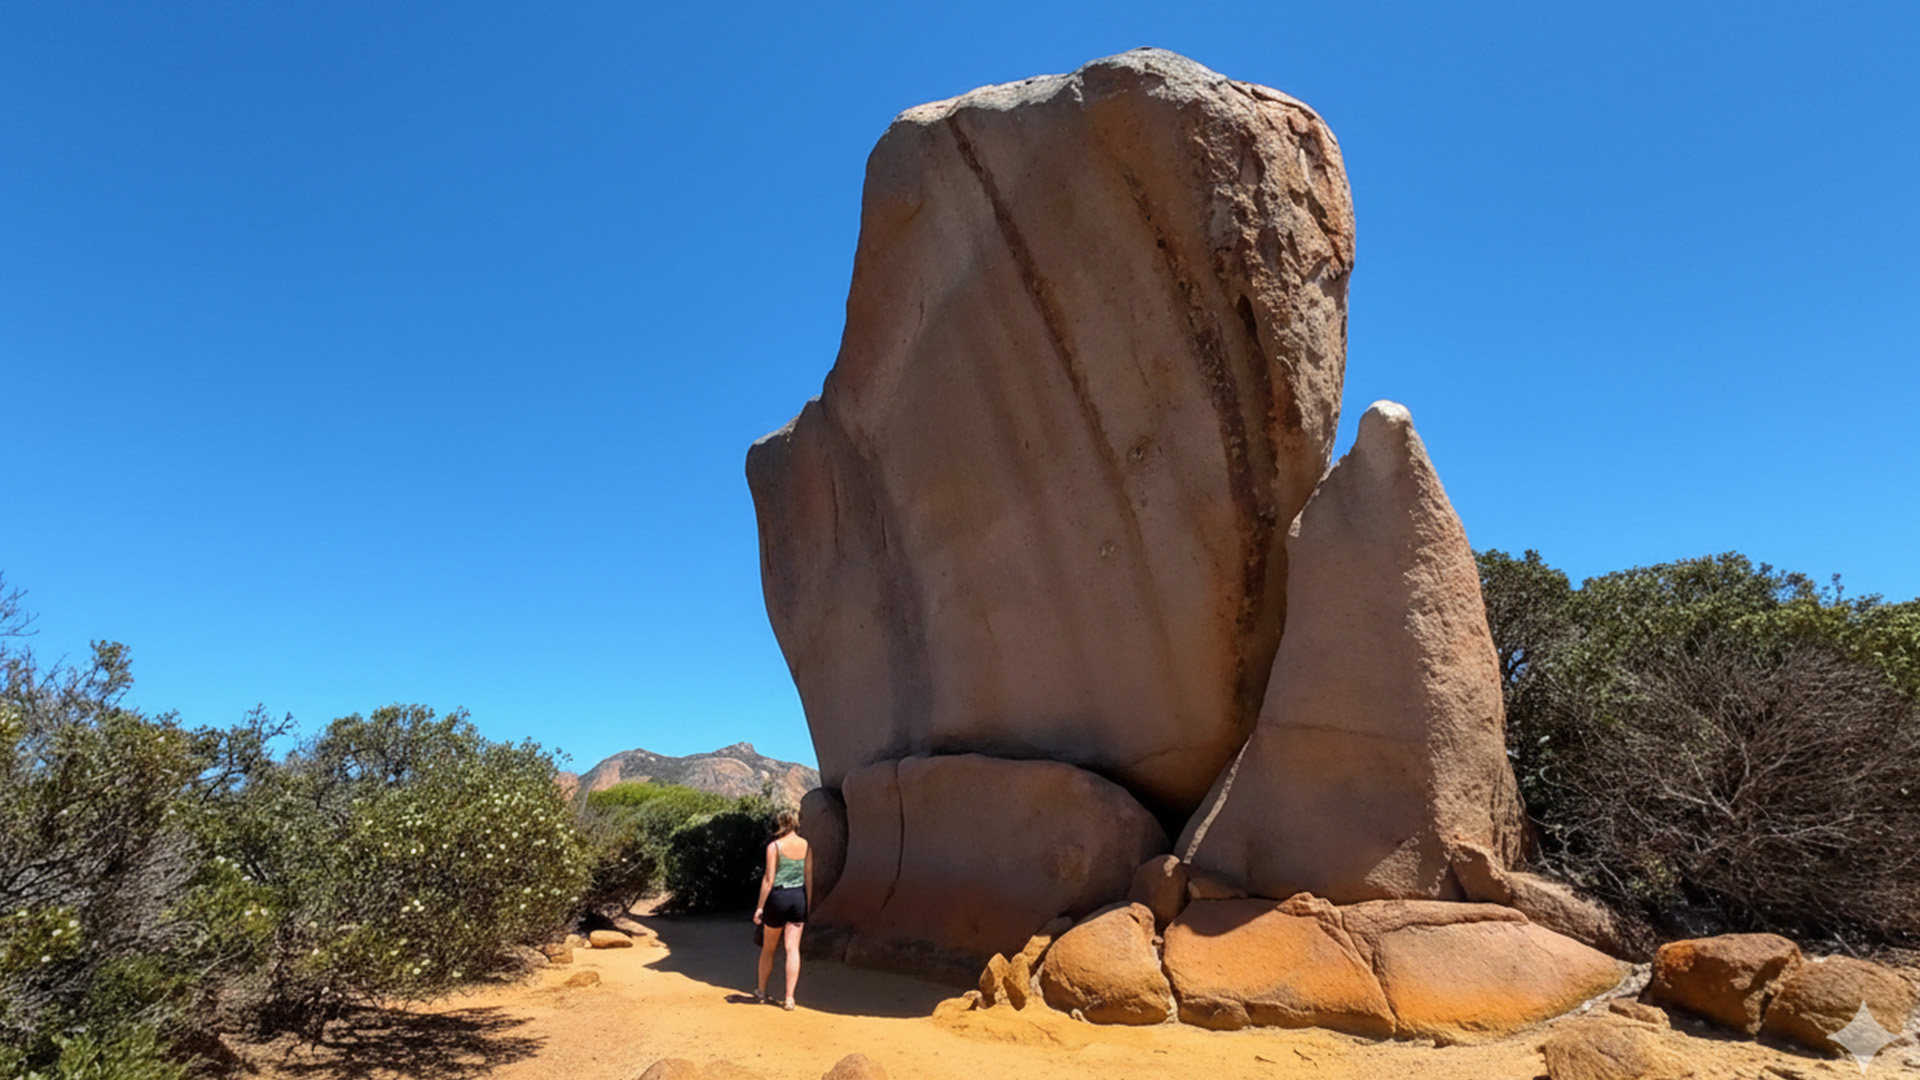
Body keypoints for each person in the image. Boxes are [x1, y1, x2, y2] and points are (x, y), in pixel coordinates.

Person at [753, 808, 811, 1010]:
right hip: (798, 898)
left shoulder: (774, 846)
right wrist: (808, 903)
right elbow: (808, 877)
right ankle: (789, 998)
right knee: (792, 949)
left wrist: (760, 907)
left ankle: (761, 991)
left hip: (778, 898)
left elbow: (768, 879)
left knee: (768, 949)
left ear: (780, 824)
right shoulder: (806, 846)